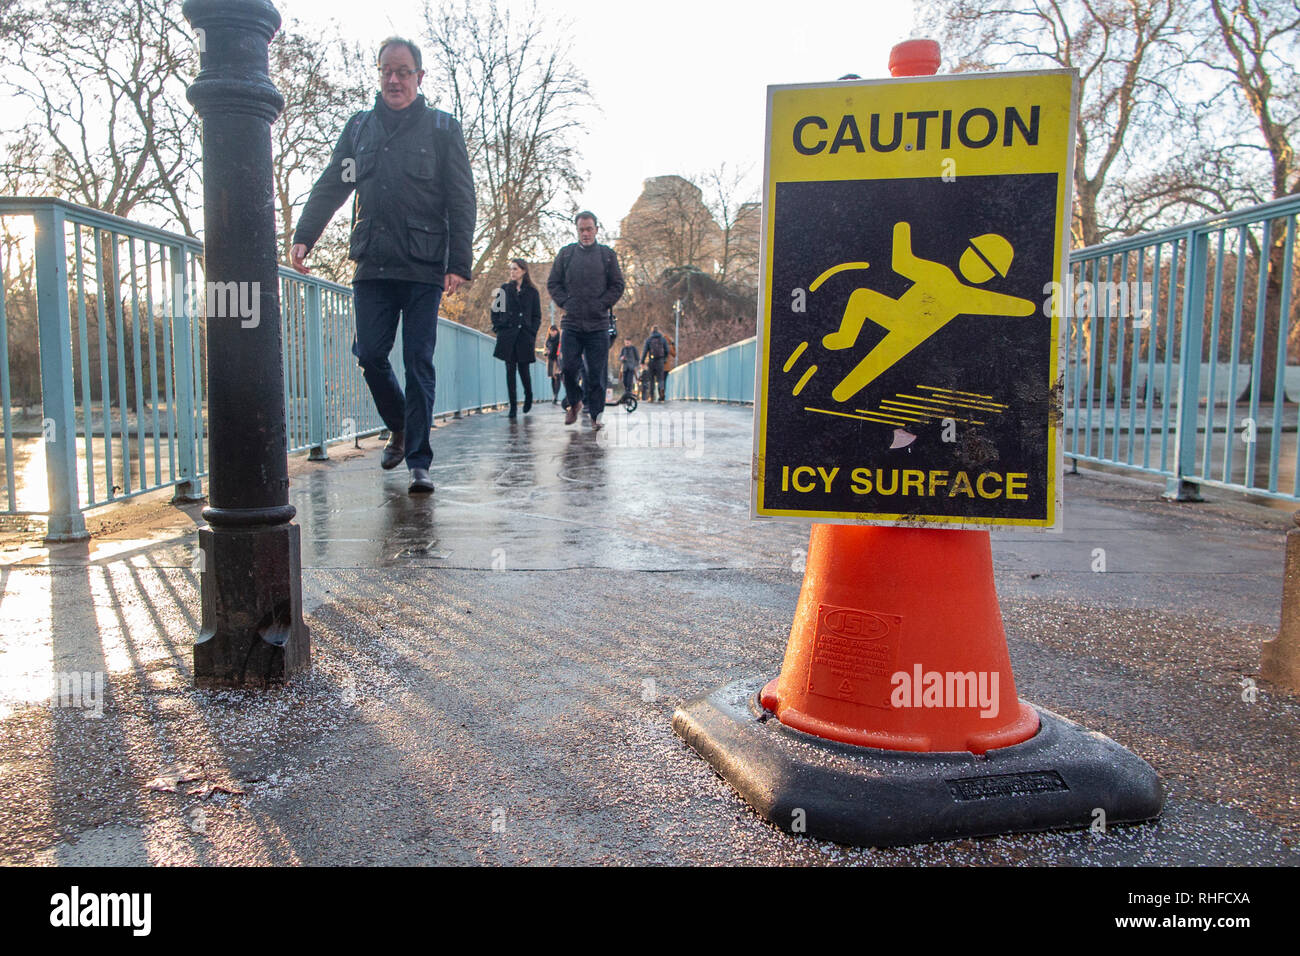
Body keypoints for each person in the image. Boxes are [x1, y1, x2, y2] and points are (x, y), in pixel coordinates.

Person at [290, 36, 475, 495]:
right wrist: (303, 236)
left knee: (418, 361)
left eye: (403, 72)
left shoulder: (441, 129)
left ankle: (419, 462)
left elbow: (461, 196)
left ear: (419, 77)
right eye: (386, 71)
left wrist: (458, 262)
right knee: (370, 355)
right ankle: (400, 425)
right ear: (379, 74)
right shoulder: (360, 129)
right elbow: (335, 183)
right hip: (372, 261)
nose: (394, 80)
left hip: (423, 264)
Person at [547, 211, 625, 431]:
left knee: (596, 372)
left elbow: (618, 285)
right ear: (577, 231)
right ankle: (575, 401)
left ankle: (596, 415)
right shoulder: (566, 254)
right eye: (581, 229)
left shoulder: (607, 255)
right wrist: (565, 302)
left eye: (589, 229)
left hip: (598, 323)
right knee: (568, 367)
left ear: (597, 229)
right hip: (571, 322)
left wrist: (602, 304)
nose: (586, 234)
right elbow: (553, 283)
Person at [491, 259, 541, 419]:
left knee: (524, 370)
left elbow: (536, 316)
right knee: (510, 370)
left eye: (516, 269)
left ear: (523, 271)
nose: (512, 272)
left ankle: (528, 395)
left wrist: (532, 331)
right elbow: (495, 311)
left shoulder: (532, 292)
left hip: (524, 335)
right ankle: (512, 406)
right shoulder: (504, 290)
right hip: (508, 335)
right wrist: (499, 327)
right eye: (511, 269)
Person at [643, 325, 670, 402]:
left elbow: (645, 351)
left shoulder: (649, 340)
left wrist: (642, 361)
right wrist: (664, 358)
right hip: (660, 361)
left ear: (651, 331)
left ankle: (651, 397)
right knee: (660, 378)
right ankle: (661, 391)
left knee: (651, 379)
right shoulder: (662, 339)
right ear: (658, 331)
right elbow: (667, 350)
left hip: (651, 361)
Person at [543, 323, 562, 403]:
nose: (553, 332)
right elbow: (545, 351)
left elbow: (562, 349)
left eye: (554, 331)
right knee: (553, 378)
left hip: (557, 360)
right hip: (550, 360)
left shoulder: (560, 340)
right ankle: (554, 394)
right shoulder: (548, 341)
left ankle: (556, 395)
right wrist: (546, 352)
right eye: (552, 331)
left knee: (557, 377)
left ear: (557, 331)